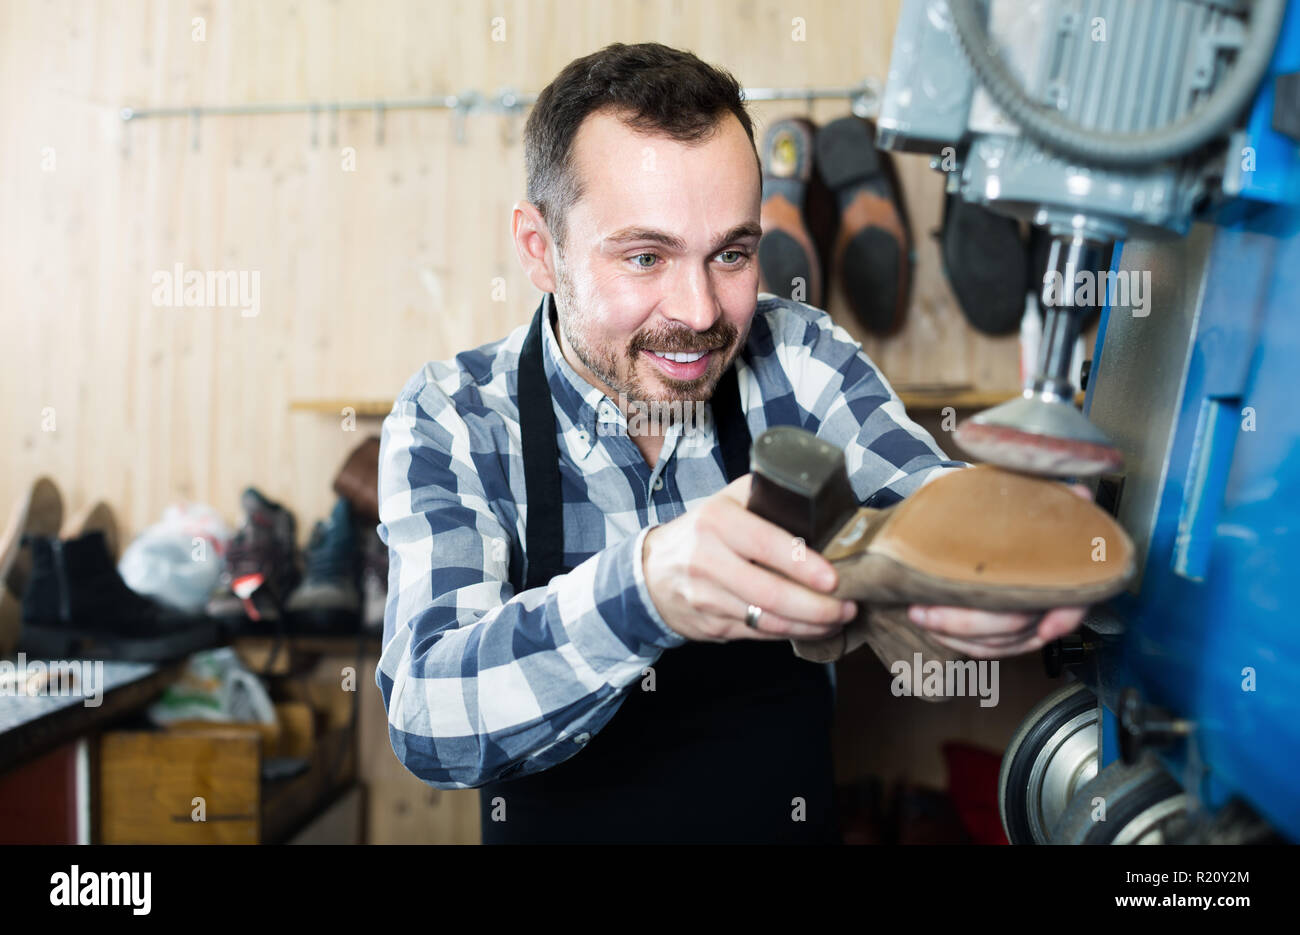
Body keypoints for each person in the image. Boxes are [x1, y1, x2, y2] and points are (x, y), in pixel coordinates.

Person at [375, 42, 1086, 844]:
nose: (702, 310)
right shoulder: (458, 415)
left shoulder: (799, 360)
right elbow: (429, 719)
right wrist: (645, 590)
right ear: (541, 250)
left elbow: (930, 510)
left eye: (734, 254)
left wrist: (991, 569)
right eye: (646, 256)